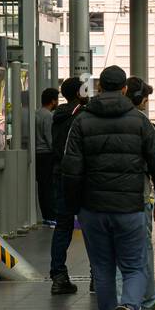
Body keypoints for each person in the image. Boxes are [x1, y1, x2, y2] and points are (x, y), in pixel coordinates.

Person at [61, 65, 155, 310]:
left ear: (99, 89)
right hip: (130, 208)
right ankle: (128, 308)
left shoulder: (82, 122)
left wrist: (73, 208)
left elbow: (71, 170)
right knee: (134, 266)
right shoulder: (139, 122)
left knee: (102, 269)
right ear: (124, 89)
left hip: (93, 209)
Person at [113, 76, 155, 310]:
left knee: (110, 253)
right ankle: (135, 302)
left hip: (99, 201)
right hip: (137, 196)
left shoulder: (93, 119)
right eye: (145, 97)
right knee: (141, 248)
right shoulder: (144, 124)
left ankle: (127, 302)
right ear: (138, 98)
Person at [49, 76, 88, 295]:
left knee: (62, 226)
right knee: (90, 226)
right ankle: (96, 276)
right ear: (79, 92)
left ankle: (58, 276)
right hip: (81, 177)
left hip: (60, 174)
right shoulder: (82, 114)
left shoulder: (58, 115)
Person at [36, 87, 59, 226]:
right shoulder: (49, 116)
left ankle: (45, 215)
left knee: (42, 187)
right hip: (47, 155)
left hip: (37, 155)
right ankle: (51, 215)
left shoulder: (36, 113)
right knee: (50, 187)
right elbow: (50, 138)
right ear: (52, 101)